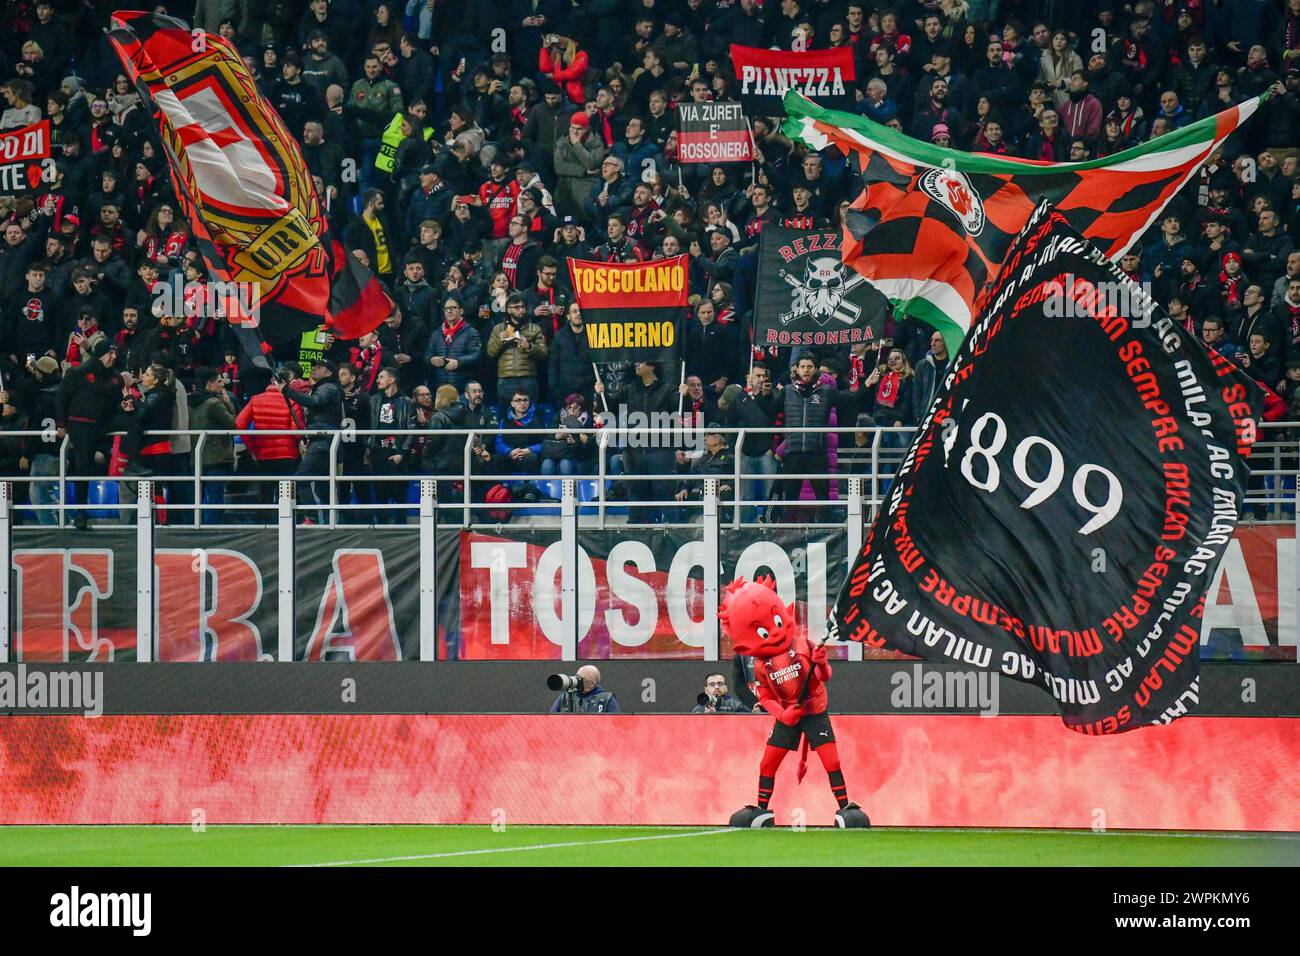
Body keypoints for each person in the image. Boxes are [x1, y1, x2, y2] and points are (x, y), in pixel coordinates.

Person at [723, 577, 868, 828]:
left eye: (776, 622)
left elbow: (824, 677)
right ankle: (762, 811)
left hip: (814, 711)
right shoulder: (760, 665)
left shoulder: (801, 644)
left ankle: (845, 808)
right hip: (789, 714)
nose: (775, 631)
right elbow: (765, 697)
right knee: (767, 763)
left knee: (831, 761)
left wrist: (822, 663)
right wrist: (782, 715)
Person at [54, 337, 120, 529]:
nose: (113, 357)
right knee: (83, 467)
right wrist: (61, 424)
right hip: (82, 426)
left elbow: (117, 402)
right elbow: (61, 397)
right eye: (110, 353)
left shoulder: (115, 377)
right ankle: (81, 512)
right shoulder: (79, 372)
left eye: (115, 353)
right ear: (100, 354)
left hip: (106, 426)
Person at [276, 358, 344, 524]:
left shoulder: (327, 388)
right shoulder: (324, 387)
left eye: (318, 367)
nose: (313, 369)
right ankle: (330, 523)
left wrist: (288, 391)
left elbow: (314, 402)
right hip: (321, 440)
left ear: (328, 372)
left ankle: (311, 517)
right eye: (313, 366)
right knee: (323, 488)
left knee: (301, 478)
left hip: (323, 441)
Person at [189, 366, 238, 524]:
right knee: (215, 497)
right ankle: (212, 529)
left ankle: (197, 527)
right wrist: (228, 403)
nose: (221, 384)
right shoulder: (214, 403)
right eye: (218, 381)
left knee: (198, 498)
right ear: (209, 383)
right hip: (216, 457)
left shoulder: (190, 403)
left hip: (195, 458)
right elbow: (234, 424)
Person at [485, 294, 548, 407]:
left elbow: (544, 354)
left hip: (528, 378)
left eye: (523, 307)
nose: (522, 310)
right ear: (509, 310)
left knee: (530, 417)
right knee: (506, 416)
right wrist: (499, 341)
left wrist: (529, 346)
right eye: (517, 307)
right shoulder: (498, 329)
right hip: (505, 379)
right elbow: (490, 352)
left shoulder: (535, 329)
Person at [549, 665, 620, 713]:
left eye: (580, 679)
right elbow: (551, 719)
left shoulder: (607, 699)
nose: (577, 680)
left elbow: (616, 723)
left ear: (592, 684)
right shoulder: (566, 696)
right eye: (576, 677)